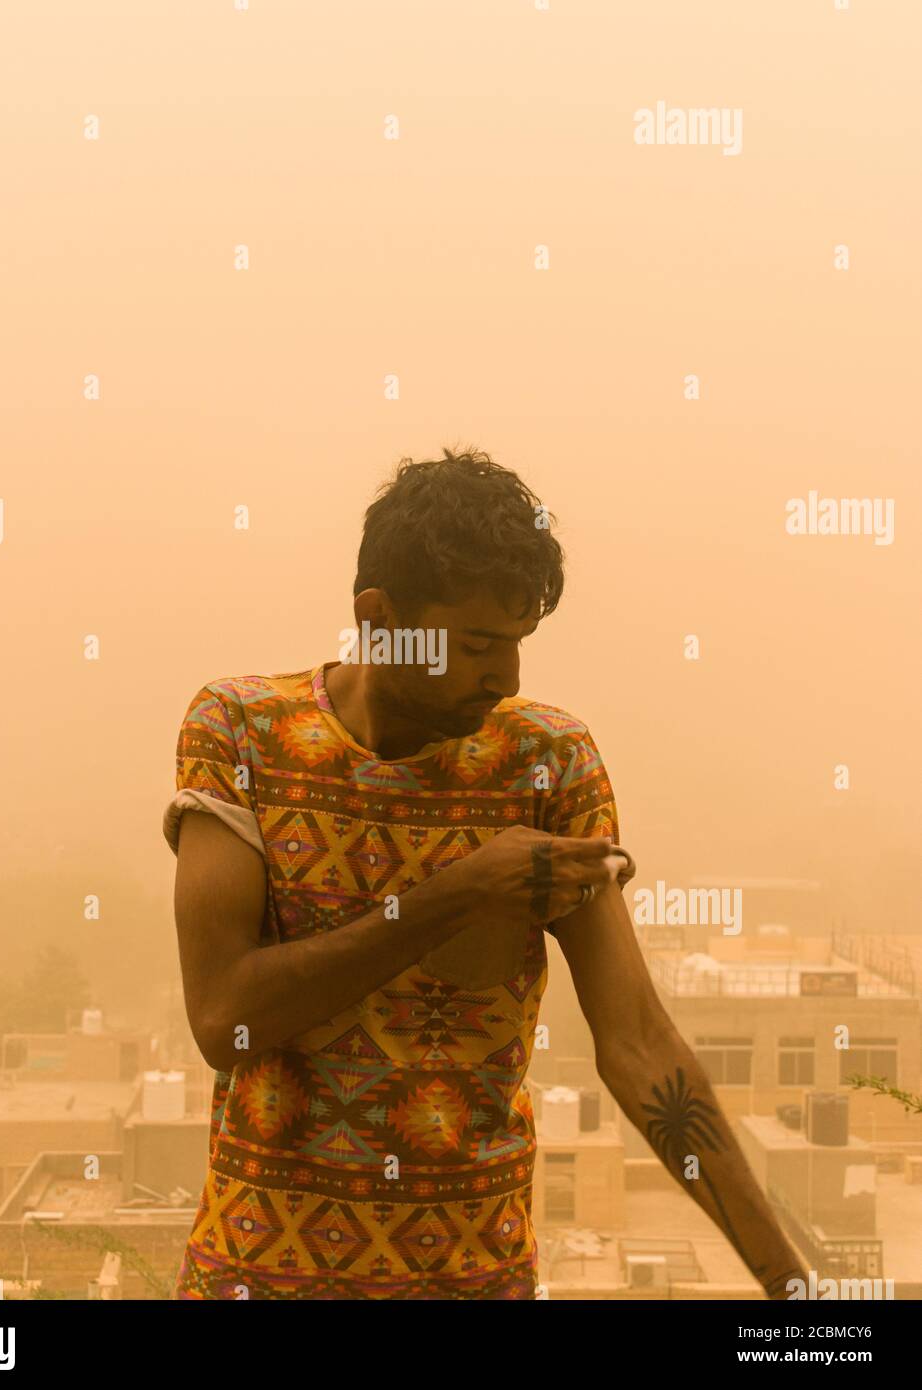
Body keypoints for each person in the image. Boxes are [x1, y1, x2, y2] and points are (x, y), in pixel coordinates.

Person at [164, 447, 806, 1300]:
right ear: (379, 616)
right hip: (257, 1278)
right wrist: (456, 896)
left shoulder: (548, 761)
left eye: (517, 644)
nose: (505, 677)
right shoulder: (241, 732)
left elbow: (639, 1043)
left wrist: (795, 1292)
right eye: (476, 645)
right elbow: (224, 1020)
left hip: (474, 1278)